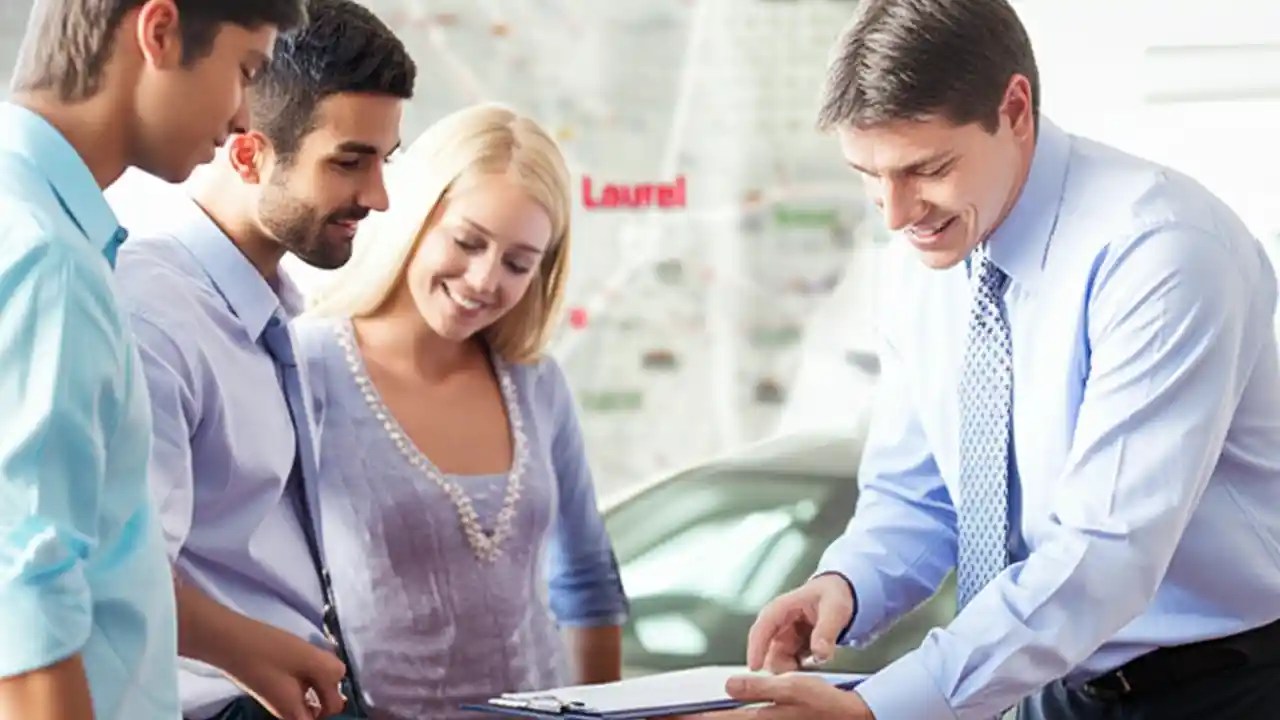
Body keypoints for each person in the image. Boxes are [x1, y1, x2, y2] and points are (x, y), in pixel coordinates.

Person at [727, 1, 1280, 719]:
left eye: (926, 168)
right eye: (868, 174)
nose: (895, 214)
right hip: (1030, 687)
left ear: (1014, 109)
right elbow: (915, 493)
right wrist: (845, 585)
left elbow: (1105, 552)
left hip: (1213, 692)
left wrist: (881, 709)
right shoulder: (920, 260)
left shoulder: (1163, 252)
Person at [106, 1, 414, 718]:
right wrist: (256, 657)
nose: (378, 196)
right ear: (250, 155)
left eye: (383, 160)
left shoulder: (278, 308)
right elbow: (118, 575)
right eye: (350, 162)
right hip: (226, 704)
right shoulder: (152, 319)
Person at [0, 1, 304, 719]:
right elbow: (24, 597)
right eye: (245, 70)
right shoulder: (52, 260)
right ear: (159, 32)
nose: (240, 118)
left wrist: (240, 644)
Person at [294, 103, 629, 719]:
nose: (483, 280)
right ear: (417, 220)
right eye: (468, 242)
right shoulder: (306, 366)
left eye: (517, 263)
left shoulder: (536, 383)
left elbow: (587, 583)